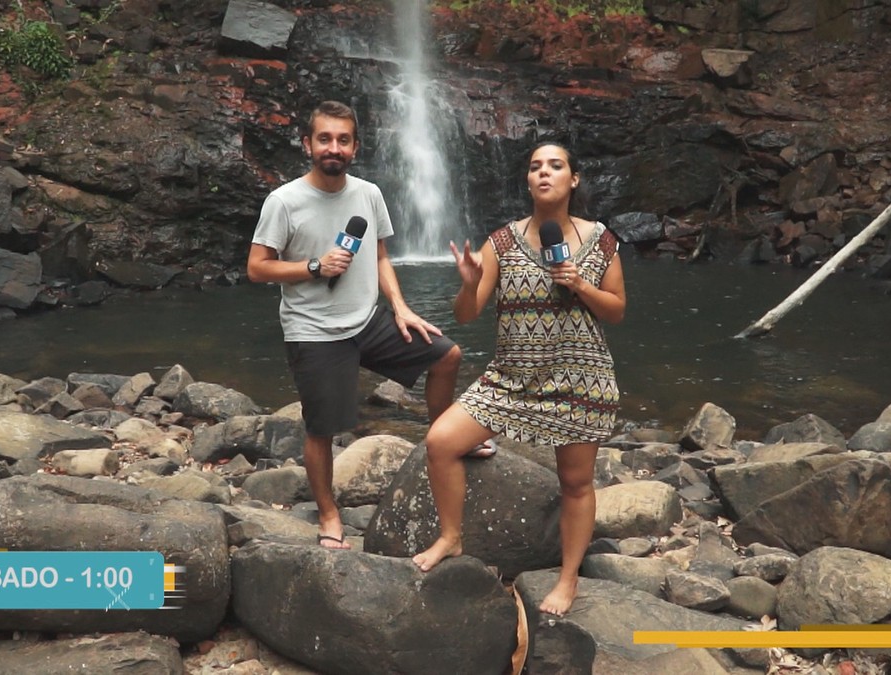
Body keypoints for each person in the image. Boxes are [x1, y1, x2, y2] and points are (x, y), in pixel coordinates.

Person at [247, 100, 486, 551]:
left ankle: (446, 441)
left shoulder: (368, 193)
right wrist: (314, 267)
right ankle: (329, 513)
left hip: (367, 320)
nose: (333, 147)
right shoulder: (283, 201)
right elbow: (258, 268)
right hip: (314, 330)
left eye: (342, 139)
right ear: (307, 144)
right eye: (324, 139)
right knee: (322, 428)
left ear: (355, 146)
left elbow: (378, 256)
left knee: (447, 355)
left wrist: (400, 306)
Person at [411, 141, 627, 617]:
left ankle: (567, 579)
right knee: (441, 441)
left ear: (573, 180)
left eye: (555, 165)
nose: (543, 173)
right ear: (527, 181)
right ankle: (451, 536)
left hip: (579, 379)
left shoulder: (601, 240)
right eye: (535, 167)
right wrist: (468, 284)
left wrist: (581, 284)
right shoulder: (501, 241)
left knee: (575, 483)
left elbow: (616, 311)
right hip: (510, 378)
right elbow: (466, 316)